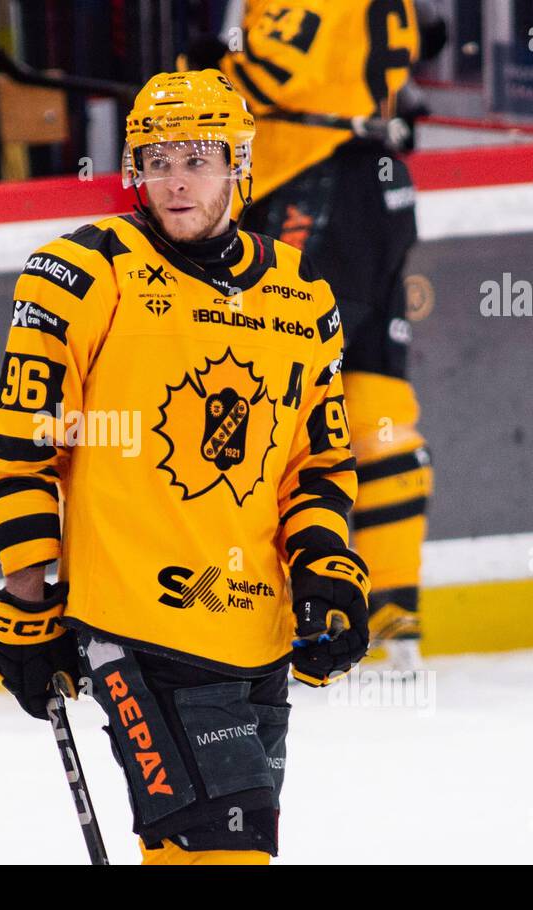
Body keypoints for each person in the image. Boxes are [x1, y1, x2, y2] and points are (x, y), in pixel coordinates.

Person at [0, 69, 369, 864]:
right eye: (157, 160)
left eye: (196, 159)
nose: (175, 181)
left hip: (256, 629)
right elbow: (20, 446)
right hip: (138, 623)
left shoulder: (302, 298)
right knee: (223, 852)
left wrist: (327, 570)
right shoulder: (83, 274)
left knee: (213, 851)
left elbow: (317, 463)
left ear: (239, 164)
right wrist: (27, 604)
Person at [221, 0, 447, 670]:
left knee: (274, 394)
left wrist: (193, 76)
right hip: (376, 184)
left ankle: (261, 604)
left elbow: (269, 69)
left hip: (310, 181)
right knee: (376, 403)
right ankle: (392, 612)